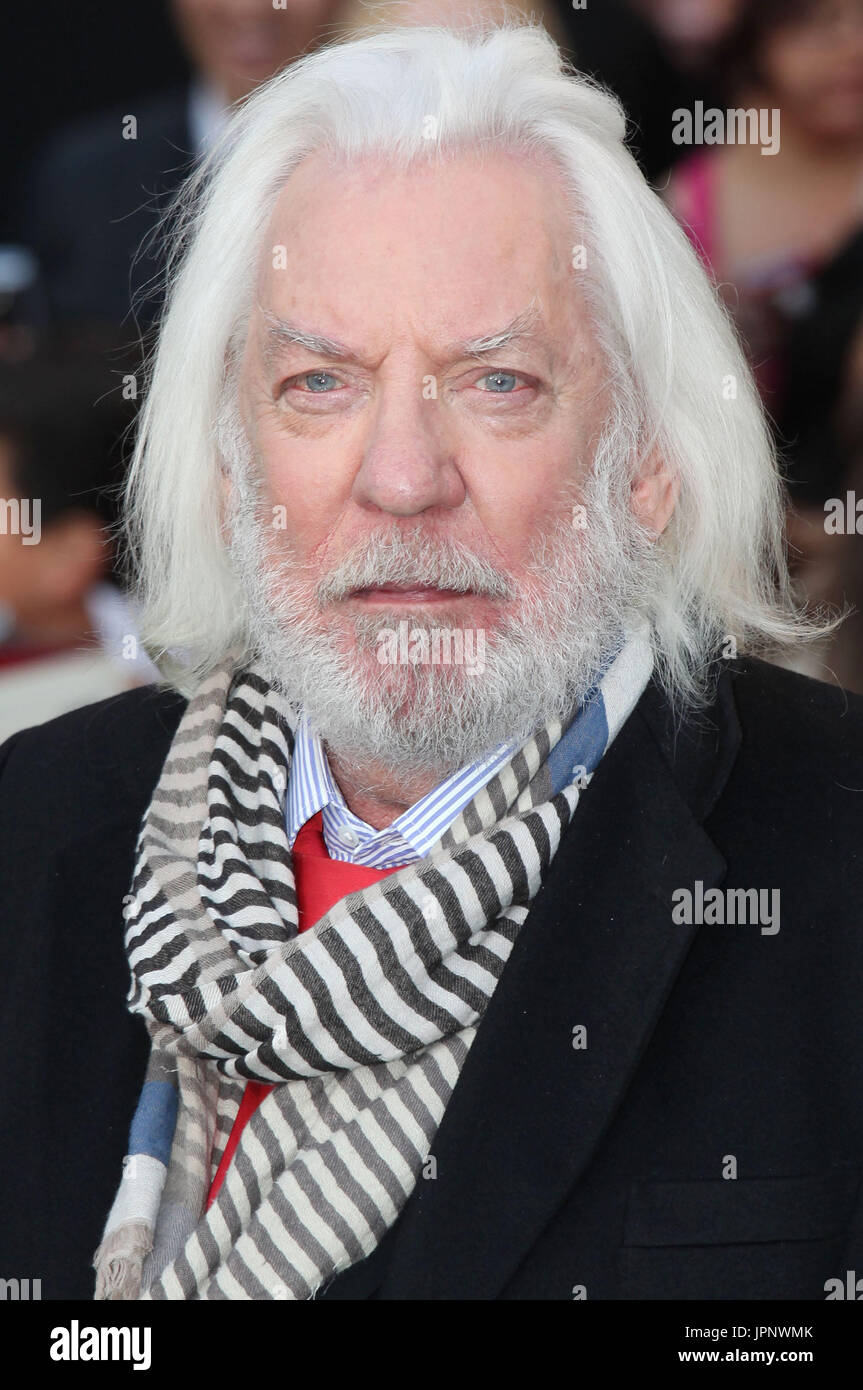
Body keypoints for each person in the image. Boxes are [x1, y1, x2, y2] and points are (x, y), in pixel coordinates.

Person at [0, 21, 861, 1303]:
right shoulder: (32, 829)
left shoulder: (834, 856)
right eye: (318, 384)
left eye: (498, 381)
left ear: (645, 461)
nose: (402, 479)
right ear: (231, 468)